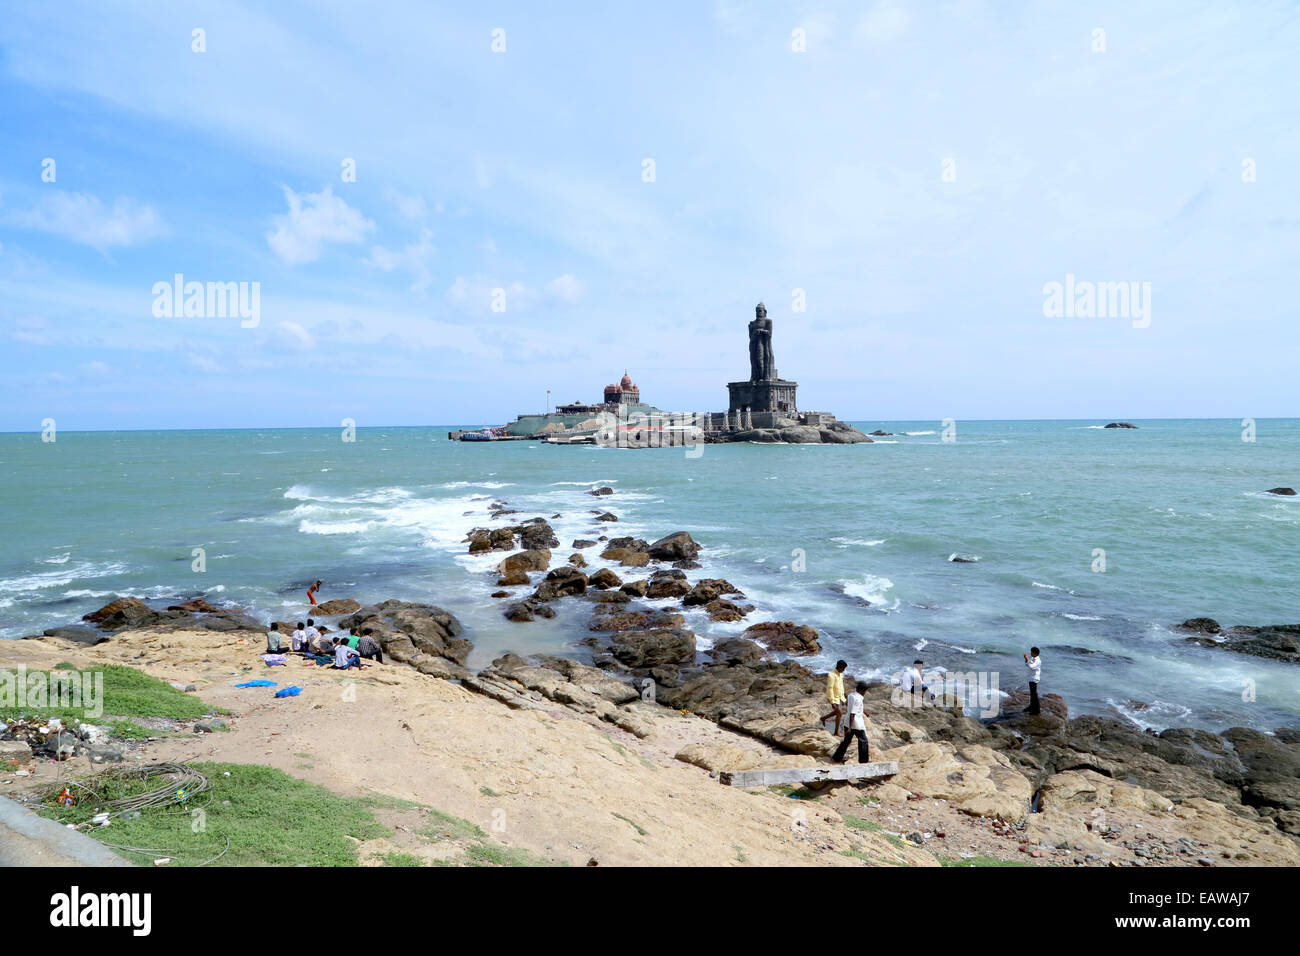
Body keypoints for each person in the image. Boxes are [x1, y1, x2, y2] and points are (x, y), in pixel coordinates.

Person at [833, 681, 871, 764]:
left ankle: (836, 757)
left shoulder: (851, 695)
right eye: (865, 691)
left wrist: (864, 712)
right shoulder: (858, 699)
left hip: (847, 722)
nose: (865, 693)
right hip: (855, 723)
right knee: (863, 741)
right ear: (862, 690)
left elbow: (852, 707)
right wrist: (850, 728)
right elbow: (853, 713)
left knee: (846, 741)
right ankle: (863, 761)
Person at [820, 660, 848, 735]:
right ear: (839, 667)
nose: (844, 670)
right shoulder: (831, 675)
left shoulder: (840, 674)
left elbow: (841, 686)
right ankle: (836, 732)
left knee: (837, 712)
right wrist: (832, 702)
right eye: (843, 668)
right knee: (839, 713)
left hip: (839, 696)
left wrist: (844, 696)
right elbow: (830, 688)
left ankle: (823, 718)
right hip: (833, 697)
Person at [1024, 647, 1042, 714]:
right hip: (1031, 678)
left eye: (1031, 652)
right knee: (1032, 694)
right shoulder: (1032, 658)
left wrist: (1027, 659)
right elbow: (1027, 664)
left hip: (1034, 678)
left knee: (1034, 694)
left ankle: (1037, 710)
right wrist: (1026, 659)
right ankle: (1031, 706)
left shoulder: (1038, 660)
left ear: (1035, 653)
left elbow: (1032, 667)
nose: (1030, 653)